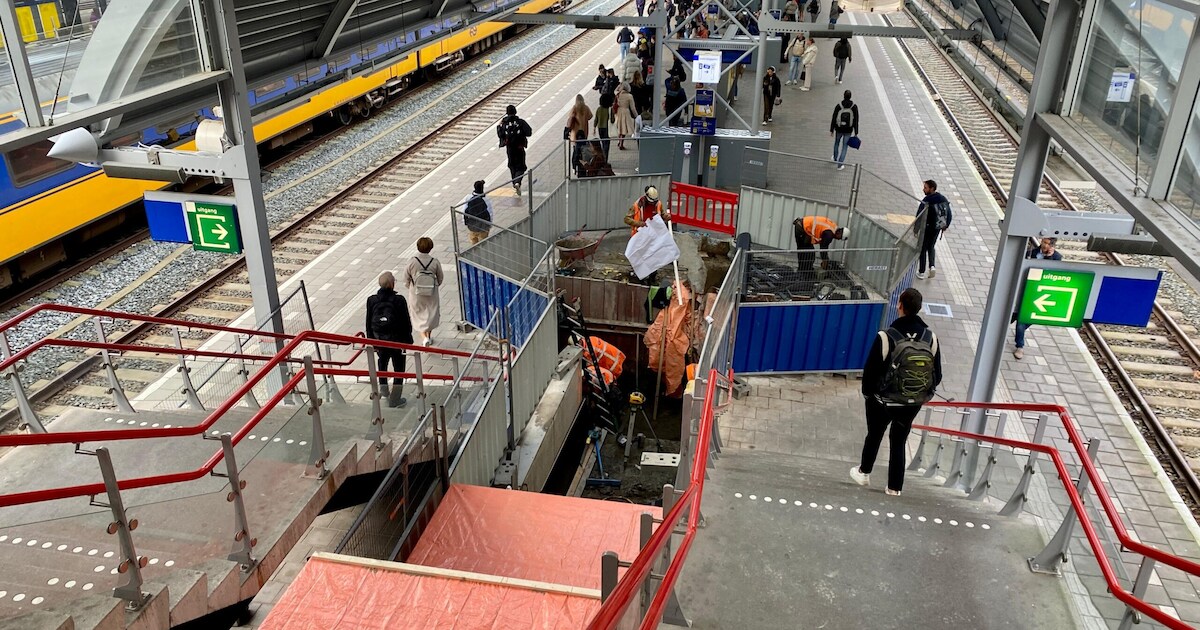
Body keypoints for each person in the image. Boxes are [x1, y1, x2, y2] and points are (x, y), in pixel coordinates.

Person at [851, 287, 943, 496]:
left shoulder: (886, 336)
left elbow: (870, 372)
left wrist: (869, 396)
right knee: (899, 440)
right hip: (912, 402)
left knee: (874, 435)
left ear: (900, 305)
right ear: (918, 309)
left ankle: (864, 473)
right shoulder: (931, 338)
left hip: (883, 401)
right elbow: (937, 374)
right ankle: (894, 488)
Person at [365, 271, 413, 408]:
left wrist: (371, 341)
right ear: (392, 284)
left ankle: (384, 388)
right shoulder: (399, 300)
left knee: (382, 363)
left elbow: (368, 322)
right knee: (399, 368)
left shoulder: (371, 300)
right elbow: (405, 322)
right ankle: (395, 399)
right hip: (396, 340)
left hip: (380, 340)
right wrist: (408, 341)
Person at [1013, 238, 1062, 359]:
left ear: (1052, 245)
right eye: (1043, 242)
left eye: (1047, 243)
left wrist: (1049, 257)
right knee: (1017, 318)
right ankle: (1018, 344)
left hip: (1041, 293)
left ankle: (1019, 343)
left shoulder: (1057, 257)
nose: (1044, 245)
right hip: (1026, 289)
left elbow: (1053, 274)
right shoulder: (1032, 252)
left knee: (1022, 321)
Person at [404, 237, 444, 347]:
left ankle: (424, 337)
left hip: (416, 293)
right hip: (431, 293)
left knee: (417, 314)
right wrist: (434, 286)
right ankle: (428, 337)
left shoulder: (412, 261)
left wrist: (411, 287)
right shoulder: (434, 262)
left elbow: (406, 279)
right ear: (430, 248)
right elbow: (440, 278)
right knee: (431, 314)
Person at [793, 215, 849, 292]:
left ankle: (805, 272)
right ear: (840, 233)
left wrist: (825, 260)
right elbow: (823, 248)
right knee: (807, 254)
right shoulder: (829, 234)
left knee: (808, 253)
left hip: (803, 226)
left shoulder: (833, 228)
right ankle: (803, 274)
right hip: (802, 228)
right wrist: (825, 260)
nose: (838, 239)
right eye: (840, 238)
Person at [915, 179, 952, 279]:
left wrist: (915, 229)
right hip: (937, 228)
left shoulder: (927, 200)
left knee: (922, 248)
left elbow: (919, 215)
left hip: (926, 228)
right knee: (931, 246)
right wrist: (946, 226)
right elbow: (949, 214)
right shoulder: (943, 198)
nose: (924, 189)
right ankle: (932, 266)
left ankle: (921, 272)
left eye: (926, 188)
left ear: (932, 189)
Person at [496, 105, 532, 195]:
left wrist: (499, 125)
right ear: (515, 111)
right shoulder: (520, 122)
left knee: (512, 166)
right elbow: (529, 132)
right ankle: (517, 182)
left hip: (510, 149)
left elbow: (500, 135)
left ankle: (515, 184)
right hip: (519, 148)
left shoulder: (504, 123)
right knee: (521, 167)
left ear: (507, 113)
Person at [829, 90, 859, 169]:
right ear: (850, 96)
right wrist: (856, 132)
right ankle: (840, 164)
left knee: (836, 143)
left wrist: (831, 129)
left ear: (843, 96)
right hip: (848, 130)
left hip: (839, 129)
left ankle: (835, 158)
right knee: (845, 146)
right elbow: (856, 120)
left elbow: (834, 117)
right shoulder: (854, 107)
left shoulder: (839, 106)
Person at [461, 180, 493, 245]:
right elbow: (490, 212)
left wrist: (465, 222)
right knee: (483, 243)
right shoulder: (486, 199)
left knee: (474, 243)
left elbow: (464, 211)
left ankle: (475, 254)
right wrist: (490, 223)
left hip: (472, 225)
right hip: (484, 226)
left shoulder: (469, 197)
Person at [566, 94, 593, 169]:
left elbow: (570, 117)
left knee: (576, 149)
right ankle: (582, 164)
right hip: (584, 131)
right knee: (583, 148)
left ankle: (575, 165)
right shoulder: (586, 108)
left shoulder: (575, 108)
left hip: (575, 133)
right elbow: (590, 116)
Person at [614, 83, 637, 149]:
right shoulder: (630, 96)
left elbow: (615, 91)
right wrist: (636, 116)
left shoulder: (618, 94)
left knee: (619, 127)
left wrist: (618, 86)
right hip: (626, 111)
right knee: (624, 128)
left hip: (618, 111)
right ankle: (621, 143)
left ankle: (619, 141)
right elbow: (633, 108)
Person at [595, 92, 613, 157]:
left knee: (602, 142)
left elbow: (596, 119)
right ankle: (605, 157)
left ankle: (602, 156)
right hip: (607, 128)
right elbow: (612, 120)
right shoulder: (609, 109)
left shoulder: (598, 109)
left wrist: (594, 127)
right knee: (607, 144)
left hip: (600, 127)